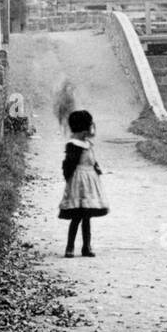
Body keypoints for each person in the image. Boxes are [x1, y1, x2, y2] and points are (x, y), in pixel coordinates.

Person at [59, 110, 108, 257]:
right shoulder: (74, 145)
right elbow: (68, 165)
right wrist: (69, 179)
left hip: (89, 182)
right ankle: (70, 247)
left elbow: (91, 159)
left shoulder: (87, 144)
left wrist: (96, 167)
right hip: (79, 183)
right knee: (77, 216)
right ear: (83, 128)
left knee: (86, 216)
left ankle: (86, 246)